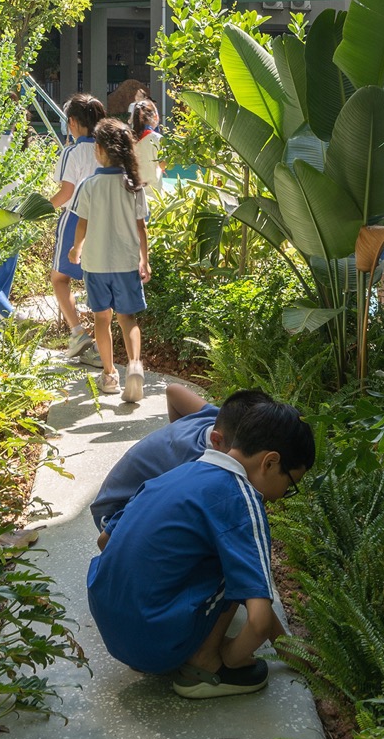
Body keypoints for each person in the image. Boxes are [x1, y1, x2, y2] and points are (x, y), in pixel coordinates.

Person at [87, 399, 316, 699]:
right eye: (291, 484)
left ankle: (162, 637)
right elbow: (259, 622)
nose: (285, 495)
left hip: (111, 628)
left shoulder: (178, 472)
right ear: (270, 462)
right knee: (235, 557)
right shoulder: (242, 499)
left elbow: (105, 540)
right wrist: (233, 656)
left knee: (221, 551)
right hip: (155, 645)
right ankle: (205, 664)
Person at [90, 386, 273, 544]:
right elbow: (108, 541)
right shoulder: (195, 467)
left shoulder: (219, 418)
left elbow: (173, 391)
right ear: (216, 441)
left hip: (136, 491)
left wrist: (175, 436)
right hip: (114, 509)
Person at [68, 117, 151, 402]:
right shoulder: (134, 186)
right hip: (126, 263)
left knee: (101, 320)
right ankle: (136, 365)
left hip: (96, 264)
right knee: (128, 318)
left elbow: (82, 224)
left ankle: (110, 374)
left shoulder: (89, 185)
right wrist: (145, 260)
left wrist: (76, 249)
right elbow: (142, 227)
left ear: (101, 150)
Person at [49, 93, 105, 363]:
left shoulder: (72, 152)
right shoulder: (108, 149)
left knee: (59, 278)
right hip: (106, 220)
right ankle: (100, 345)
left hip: (75, 219)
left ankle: (78, 333)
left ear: (72, 122)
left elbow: (65, 193)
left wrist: (38, 209)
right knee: (98, 282)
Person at [130, 97, 164, 191]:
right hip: (153, 195)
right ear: (155, 117)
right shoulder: (157, 139)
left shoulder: (128, 138)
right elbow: (163, 165)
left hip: (134, 192)